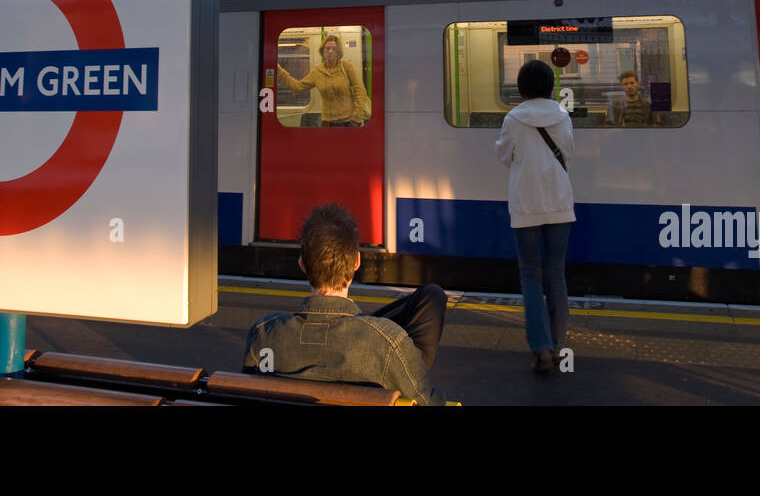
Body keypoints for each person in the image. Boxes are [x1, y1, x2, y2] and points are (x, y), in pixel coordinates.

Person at [242, 203, 446, 405]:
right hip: (381, 346)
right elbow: (429, 402)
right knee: (431, 298)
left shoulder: (264, 333)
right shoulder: (388, 342)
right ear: (357, 262)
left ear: (302, 264)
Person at [494, 59, 575, 373]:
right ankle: (557, 345)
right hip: (559, 202)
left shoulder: (513, 118)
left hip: (526, 203)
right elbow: (568, 151)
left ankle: (540, 346)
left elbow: (504, 155)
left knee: (530, 274)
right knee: (556, 272)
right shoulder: (563, 116)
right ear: (550, 86)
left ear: (521, 88)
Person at [276, 34, 369, 126]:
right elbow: (298, 86)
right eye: (327, 48)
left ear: (338, 52)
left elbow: (360, 91)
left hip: (348, 123)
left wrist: (357, 116)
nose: (330, 52)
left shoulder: (346, 67)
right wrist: (280, 71)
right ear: (322, 51)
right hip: (327, 123)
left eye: (334, 49)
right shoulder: (317, 72)